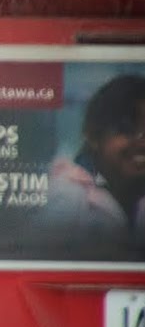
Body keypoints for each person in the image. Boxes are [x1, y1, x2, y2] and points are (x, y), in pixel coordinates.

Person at [39, 72, 145, 257]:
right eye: (127, 128)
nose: (142, 141)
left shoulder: (134, 195)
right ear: (95, 135)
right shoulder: (67, 198)